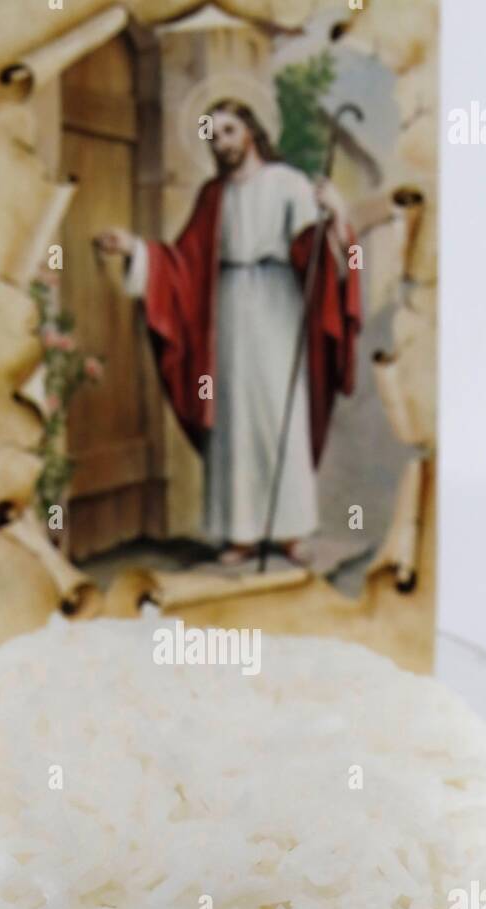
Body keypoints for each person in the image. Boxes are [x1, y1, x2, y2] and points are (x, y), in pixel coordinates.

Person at [97, 98, 361, 565]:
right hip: (228, 310)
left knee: (280, 409)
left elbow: (314, 252)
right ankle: (239, 533)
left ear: (252, 133)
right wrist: (136, 248)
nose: (222, 143)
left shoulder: (287, 183)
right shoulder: (212, 195)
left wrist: (335, 216)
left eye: (229, 131)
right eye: (213, 136)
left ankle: (290, 530)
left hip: (278, 302)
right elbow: (183, 263)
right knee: (235, 416)